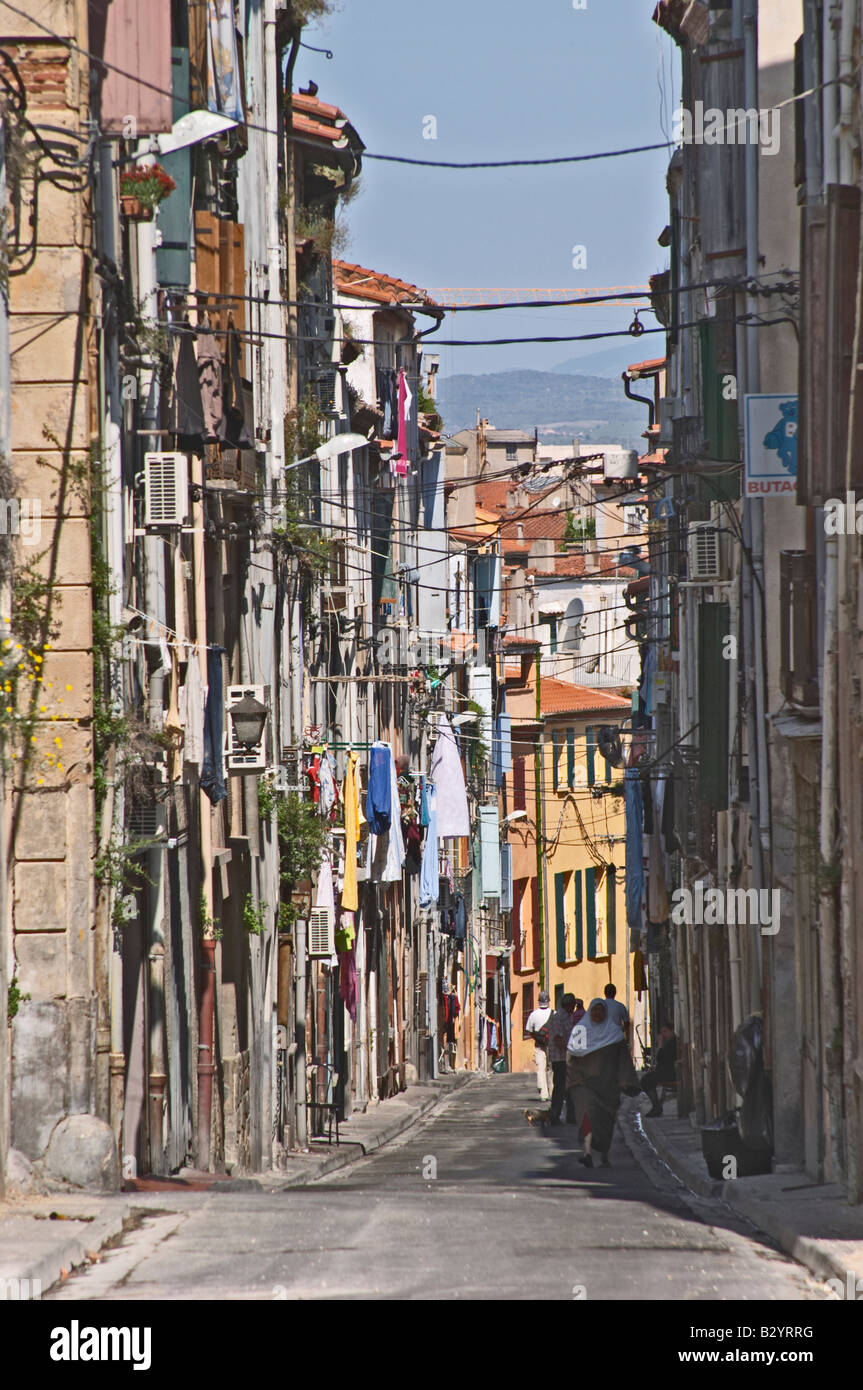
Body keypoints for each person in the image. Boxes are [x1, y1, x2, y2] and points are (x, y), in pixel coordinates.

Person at [566, 997, 638, 1168]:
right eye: (595, 1010)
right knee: (587, 1116)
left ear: (606, 1013)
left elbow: (623, 1059)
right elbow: (571, 1057)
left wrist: (626, 1080)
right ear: (590, 1011)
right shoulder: (581, 1031)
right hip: (585, 1084)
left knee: (606, 1121)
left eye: (601, 1011)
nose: (598, 1014)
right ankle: (588, 1153)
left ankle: (604, 1155)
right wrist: (574, 1079)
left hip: (608, 1085)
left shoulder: (613, 1032)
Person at [548, 994, 581, 1123]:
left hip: (566, 1057)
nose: (574, 1007)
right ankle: (555, 1115)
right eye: (573, 1005)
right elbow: (558, 1039)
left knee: (569, 1087)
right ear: (568, 1005)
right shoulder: (558, 1018)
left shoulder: (568, 1017)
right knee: (561, 1088)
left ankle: (571, 1116)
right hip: (560, 1058)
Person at [639, 1023, 677, 1117]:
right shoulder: (669, 1042)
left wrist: (660, 1045)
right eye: (662, 1032)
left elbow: (662, 1057)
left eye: (665, 1032)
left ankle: (656, 1107)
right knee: (646, 1079)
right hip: (666, 1071)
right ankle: (656, 1106)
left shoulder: (672, 1042)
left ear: (672, 1031)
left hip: (671, 1073)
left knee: (646, 1080)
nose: (663, 1035)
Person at [525, 991, 553, 1102]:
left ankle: (543, 1094)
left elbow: (529, 1030)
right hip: (551, 1045)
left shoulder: (533, 1014)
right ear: (548, 1001)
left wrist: (537, 1038)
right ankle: (553, 1093)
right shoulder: (553, 1014)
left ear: (539, 1001)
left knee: (541, 1069)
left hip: (539, 1044)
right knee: (551, 1069)